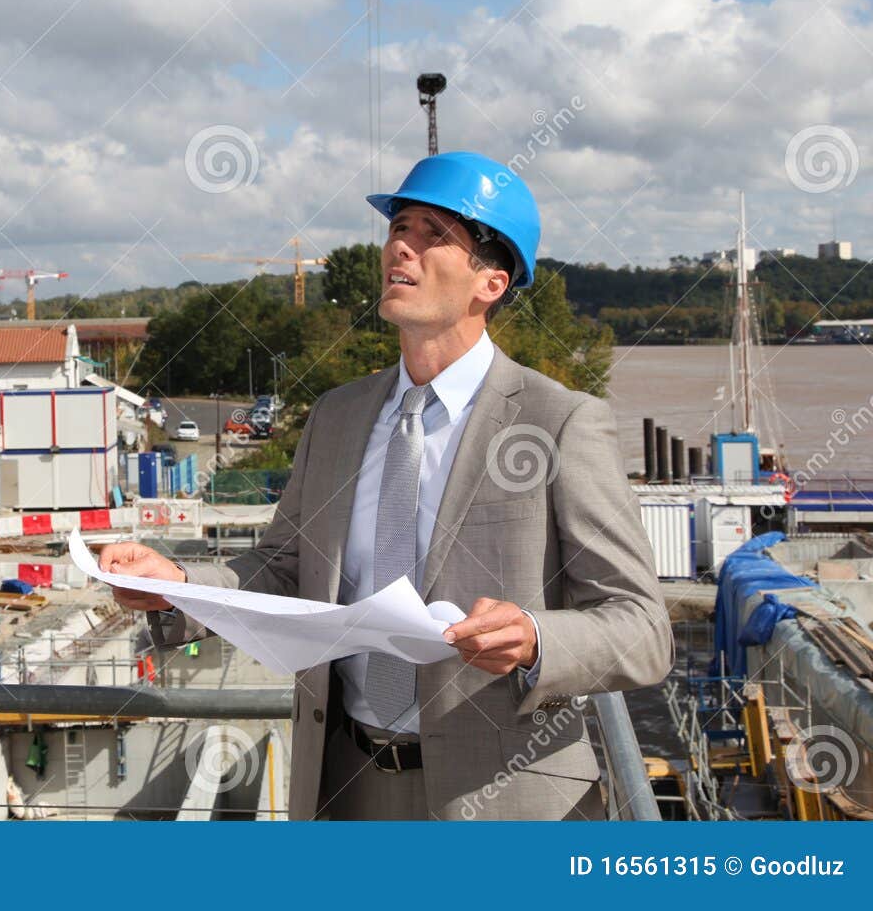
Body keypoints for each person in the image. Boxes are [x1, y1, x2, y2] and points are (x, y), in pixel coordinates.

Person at [100, 151, 672, 820]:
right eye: (399, 226)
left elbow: (642, 627)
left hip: (507, 802)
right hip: (347, 785)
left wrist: (535, 637)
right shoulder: (338, 417)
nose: (401, 243)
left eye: (433, 232)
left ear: (492, 279)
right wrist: (177, 584)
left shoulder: (560, 422)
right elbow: (282, 570)